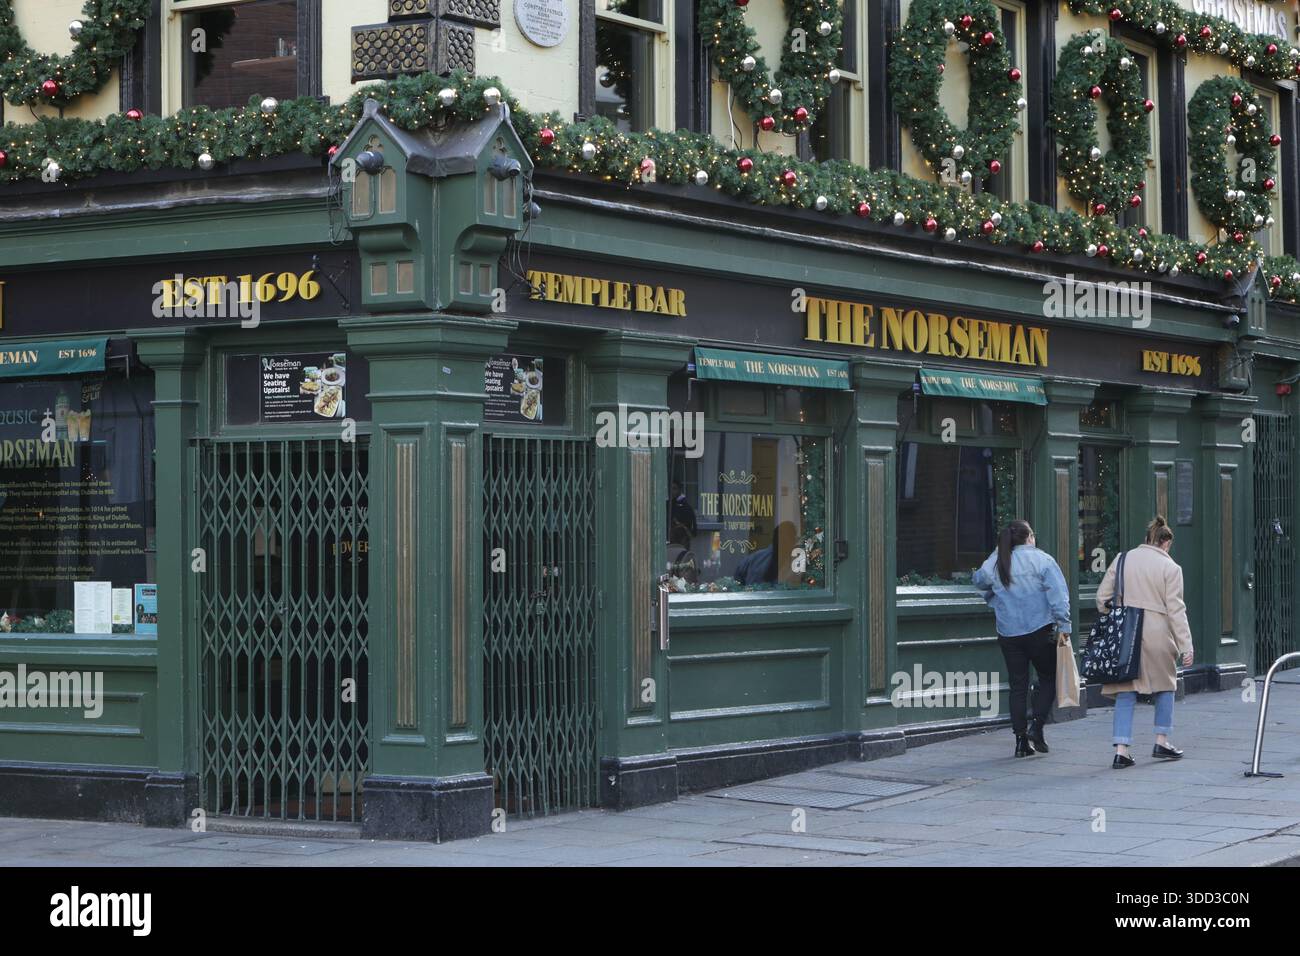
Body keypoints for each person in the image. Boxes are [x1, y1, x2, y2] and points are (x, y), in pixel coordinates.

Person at [1096, 516, 1194, 769]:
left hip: (1126, 634)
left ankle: (1121, 749)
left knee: (1126, 690)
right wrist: (1186, 645)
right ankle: (1161, 741)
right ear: (1165, 543)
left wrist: (1118, 611)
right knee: (1165, 686)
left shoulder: (1122, 558)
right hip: (1158, 634)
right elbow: (1176, 609)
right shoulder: (1171, 568)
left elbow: (1101, 598)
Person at [973, 519, 1072, 757]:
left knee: (1018, 685)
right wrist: (1064, 624)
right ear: (1029, 537)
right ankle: (1036, 727)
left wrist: (994, 598)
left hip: (1009, 633)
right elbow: (1058, 595)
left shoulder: (998, 562)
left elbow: (979, 580)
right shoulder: (1043, 560)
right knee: (1049, 677)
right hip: (1040, 630)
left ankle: (1020, 742)